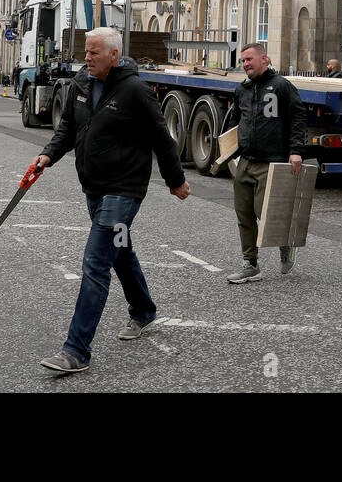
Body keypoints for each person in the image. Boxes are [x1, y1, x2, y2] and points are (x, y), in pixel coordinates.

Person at [31, 27, 190, 373]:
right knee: (120, 251)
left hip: (124, 189)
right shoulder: (82, 84)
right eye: (86, 52)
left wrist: (174, 180)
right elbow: (68, 129)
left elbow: (162, 139)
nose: (86, 58)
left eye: (93, 53)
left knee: (95, 263)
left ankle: (76, 351)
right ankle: (144, 310)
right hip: (94, 187)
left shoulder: (135, 91)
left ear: (114, 56)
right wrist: (47, 156)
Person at [222, 43, 306, 284]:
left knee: (266, 213)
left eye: (250, 59)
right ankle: (251, 264)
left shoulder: (281, 86)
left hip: (271, 161)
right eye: (243, 60)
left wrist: (295, 151)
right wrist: (227, 149)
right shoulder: (242, 89)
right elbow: (236, 121)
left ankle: (285, 244)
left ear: (265, 60)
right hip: (246, 162)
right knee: (244, 214)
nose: (246, 64)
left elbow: (298, 117)